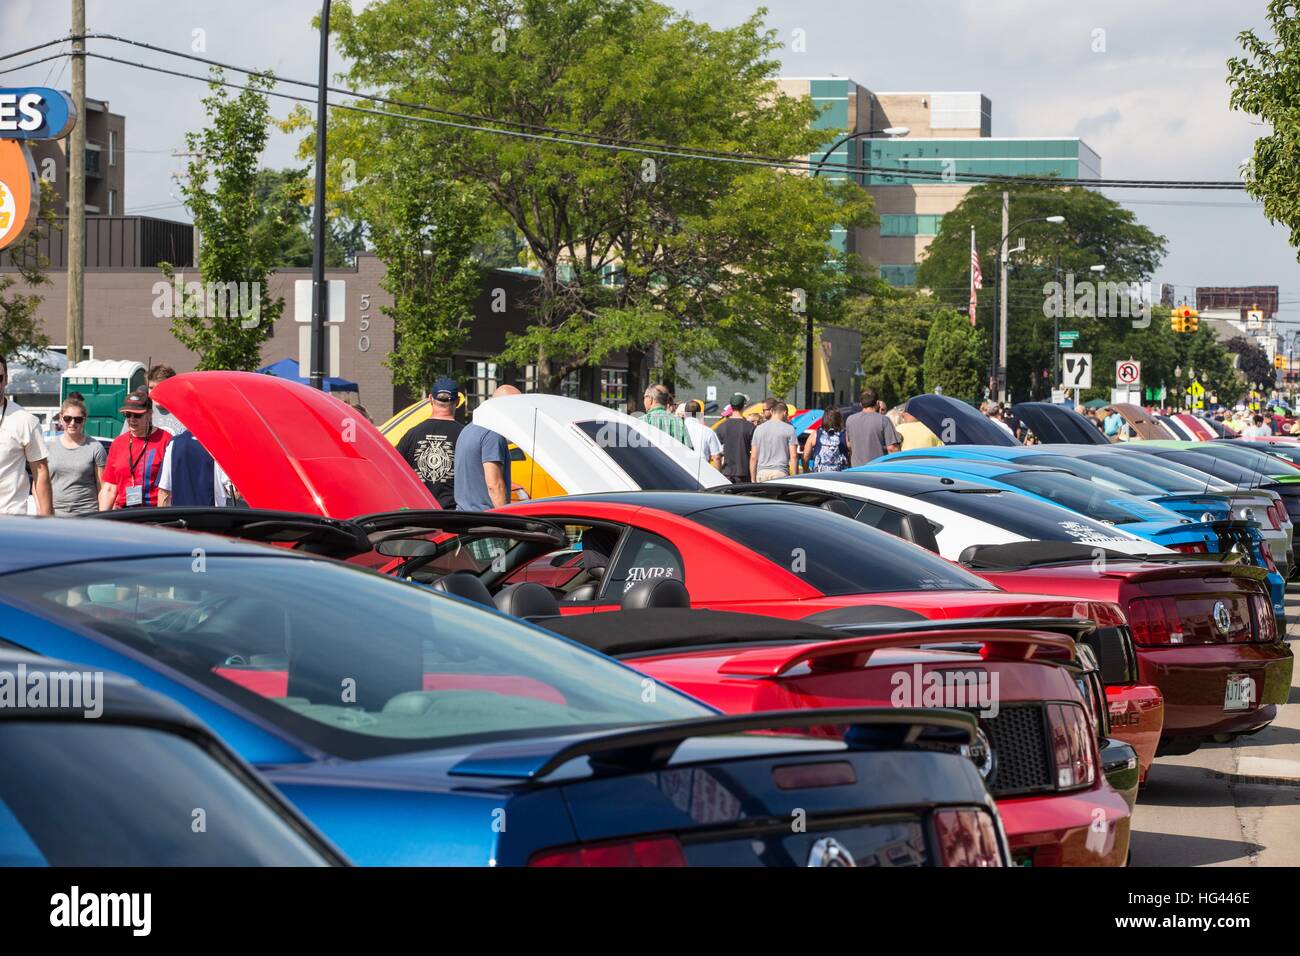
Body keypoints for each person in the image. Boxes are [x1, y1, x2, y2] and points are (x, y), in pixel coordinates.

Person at [396, 376, 464, 508]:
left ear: (430, 399)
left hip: (419, 514)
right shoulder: (464, 435)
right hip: (453, 514)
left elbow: (395, 472)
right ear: (458, 401)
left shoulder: (412, 434)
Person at [100, 388, 172, 510]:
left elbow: (171, 487)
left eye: (137, 415)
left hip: (154, 514)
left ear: (149, 414)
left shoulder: (166, 440)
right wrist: (100, 523)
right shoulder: (118, 443)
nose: (132, 419)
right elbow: (109, 488)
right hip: (124, 513)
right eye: (127, 414)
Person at [0, 354, 52, 515]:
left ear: (6, 379)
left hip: (9, 520)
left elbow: (41, 471)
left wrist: (47, 520)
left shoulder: (25, 420)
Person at [454, 384, 519, 511]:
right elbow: (494, 485)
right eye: (517, 408)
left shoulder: (468, 429)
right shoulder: (492, 434)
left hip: (463, 516)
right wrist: (508, 519)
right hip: (486, 520)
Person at [46, 393, 105, 516]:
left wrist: (103, 517)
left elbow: (103, 487)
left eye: (78, 419)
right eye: (68, 418)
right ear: (61, 418)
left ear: (84, 420)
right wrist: (44, 512)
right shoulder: (48, 447)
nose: (72, 423)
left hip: (87, 514)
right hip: (55, 514)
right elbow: (39, 484)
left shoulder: (96, 447)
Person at [157, 427, 237, 507]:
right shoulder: (220, 446)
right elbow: (235, 493)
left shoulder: (174, 443)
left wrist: (163, 518)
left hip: (180, 516)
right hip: (213, 516)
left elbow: (163, 492)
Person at [120, 363, 184, 436]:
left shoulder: (186, 413)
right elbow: (124, 442)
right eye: (151, 388)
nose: (155, 392)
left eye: (160, 388)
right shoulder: (139, 411)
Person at [845, 388, 901, 467]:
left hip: (856, 471)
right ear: (877, 403)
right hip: (877, 470)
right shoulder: (883, 420)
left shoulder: (850, 420)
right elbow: (892, 448)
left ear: (861, 404)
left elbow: (849, 445)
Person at [750, 398, 798, 481]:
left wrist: (753, 479)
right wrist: (794, 478)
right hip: (780, 472)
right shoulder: (789, 429)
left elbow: (753, 457)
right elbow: (794, 456)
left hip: (762, 472)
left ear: (772, 411)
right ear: (785, 413)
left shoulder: (758, 429)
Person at [715, 393, 756, 483]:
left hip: (727, 473)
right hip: (745, 473)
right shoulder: (750, 427)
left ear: (731, 406)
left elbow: (716, 454)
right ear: (744, 406)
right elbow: (754, 455)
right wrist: (753, 478)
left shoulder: (722, 426)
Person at [803, 406, 850, 472]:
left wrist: (806, 470)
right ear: (839, 419)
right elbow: (852, 454)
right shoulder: (845, 435)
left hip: (820, 476)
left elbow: (806, 456)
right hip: (840, 477)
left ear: (824, 419)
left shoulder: (815, 434)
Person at [681, 400, 722, 470]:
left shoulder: (678, 429)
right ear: (700, 414)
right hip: (702, 471)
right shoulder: (708, 431)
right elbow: (716, 457)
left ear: (685, 413)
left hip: (682, 471)